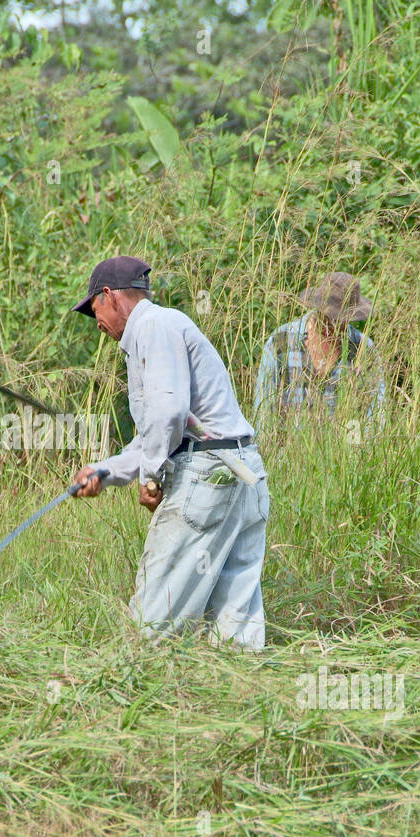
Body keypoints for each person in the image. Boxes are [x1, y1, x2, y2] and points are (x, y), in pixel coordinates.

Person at [70, 256, 270, 651]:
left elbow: (168, 413)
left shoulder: (152, 325)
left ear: (110, 296)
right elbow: (158, 433)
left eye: (95, 310)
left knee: (152, 622)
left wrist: (152, 477)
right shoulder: (164, 326)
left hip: (209, 476)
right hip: (242, 473)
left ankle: (128, 689)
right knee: (234, 626)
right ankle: (241, 696)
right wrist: (104, 472)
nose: (97, 323)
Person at [254, 271, 385, 423]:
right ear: (318, 308)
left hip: (346, 444)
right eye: (331, 317)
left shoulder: (363, 348)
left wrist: (356, 445)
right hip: (288, 444)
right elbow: (263, 411)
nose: (336, 323)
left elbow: (374, 412)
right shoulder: (282, 341)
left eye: (343, 318)